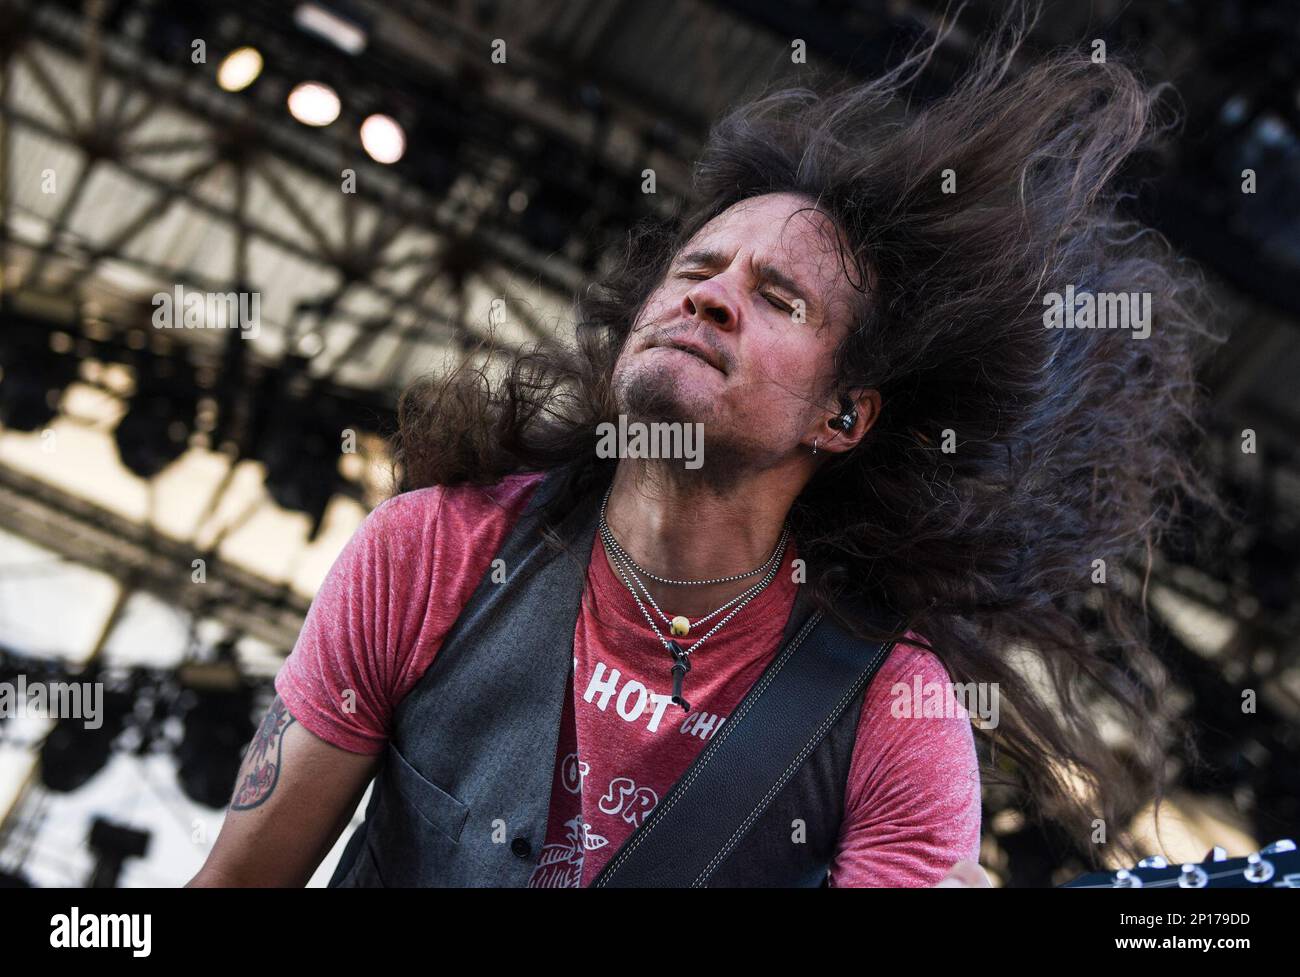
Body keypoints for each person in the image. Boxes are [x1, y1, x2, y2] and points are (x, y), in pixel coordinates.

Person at [189, 8, 1216, 888]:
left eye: (778, 298)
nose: (712, 296)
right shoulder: (430, 553)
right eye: (696, 268)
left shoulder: (896, 718)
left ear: (842, 416)